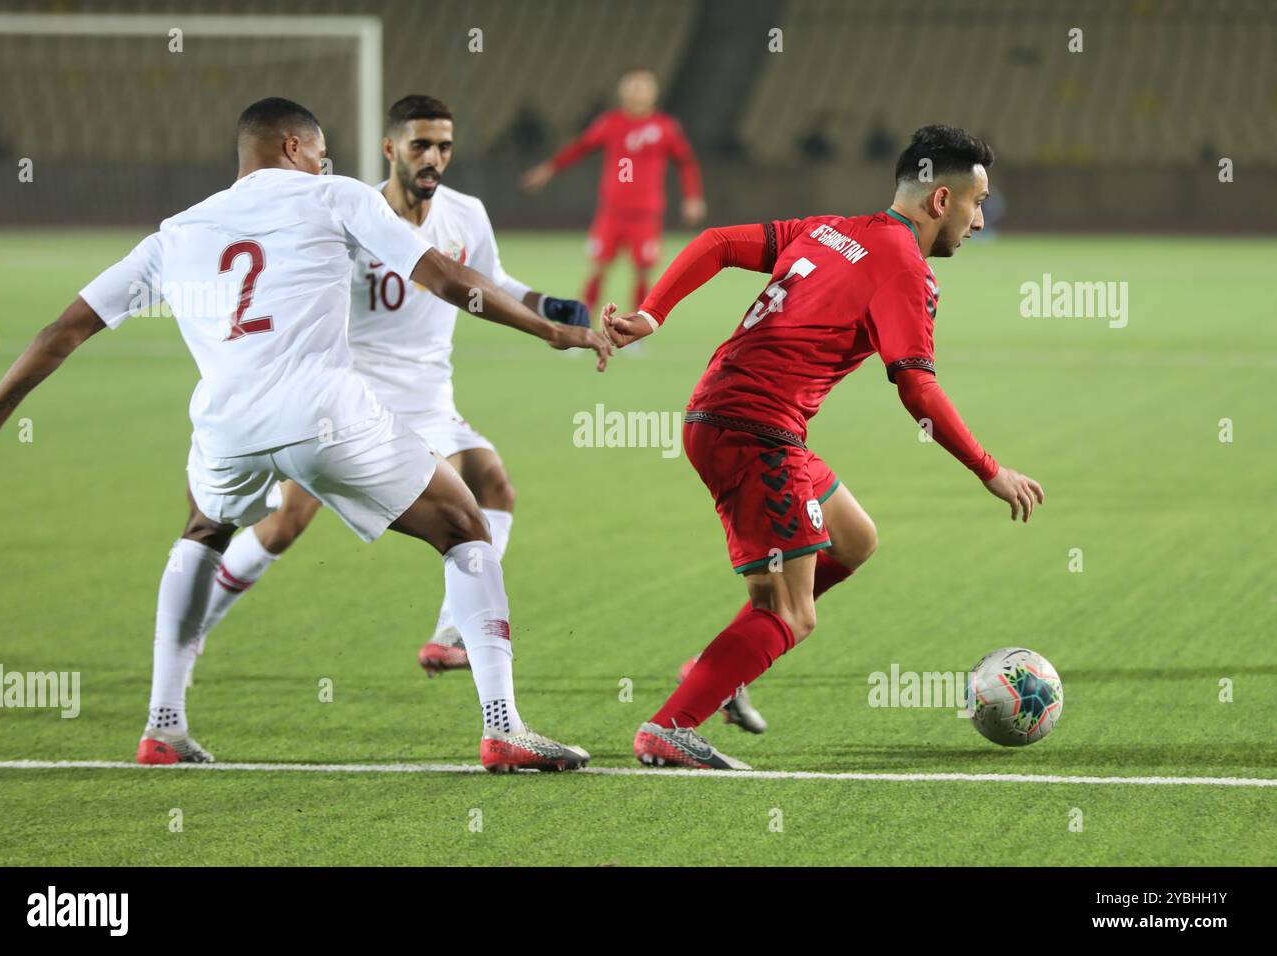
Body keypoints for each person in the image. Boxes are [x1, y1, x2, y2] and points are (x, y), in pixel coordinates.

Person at [0, 98, 611, 773]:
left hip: (224, 426)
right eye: (317, 150)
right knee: (464, 525)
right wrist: (551, 329)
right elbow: (445, 278)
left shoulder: (176, 231)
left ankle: (163, 725)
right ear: (290, 147)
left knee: (201, 531)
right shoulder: (335, 196)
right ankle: (502, 726)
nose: (324, 162)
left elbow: (61, 333)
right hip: (324, 416)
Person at [599, 125, 1044, 769]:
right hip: (754, 430)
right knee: (792, 612)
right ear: (941, 201)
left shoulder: (834, 228)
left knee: (854, 539)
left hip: (734, 414)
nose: (979, 220)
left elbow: (718, 242)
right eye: (977, 203)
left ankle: (719, 664)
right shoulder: (906, 268)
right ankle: (670, 727)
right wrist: (989, 469)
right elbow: (917, 387)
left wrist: (651, 314)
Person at [191, 94, 593, 679]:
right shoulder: (351, 212)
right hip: (353, 391)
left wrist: (545, 303)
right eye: (421, 145)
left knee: (493, 486)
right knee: (285, 524)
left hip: (430, 392)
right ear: (391, 149)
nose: (434, 157)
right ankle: (195, 623)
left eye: (445, 146)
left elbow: (489, 278)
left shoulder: (466, 213)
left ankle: (452, 633)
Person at [523, 68, 705, 314]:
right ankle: (582, 322)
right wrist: (549, 168)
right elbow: (580, 148)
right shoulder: (610, 123)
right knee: (598, 267)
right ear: (622, 91)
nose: (636, 92)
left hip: (645, 214)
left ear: (654, 92)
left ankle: (635, 327)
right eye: (631, 86)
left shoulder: (664, 127)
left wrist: (693, 197)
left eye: (642, 87)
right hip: (612, 212)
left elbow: (686, 163)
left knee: (643, 271)